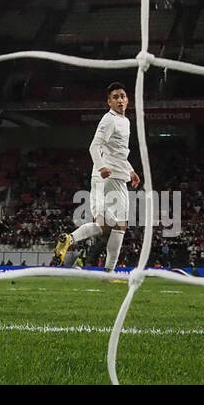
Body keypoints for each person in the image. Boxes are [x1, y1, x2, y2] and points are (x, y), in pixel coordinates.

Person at [54, 82, 139, 275]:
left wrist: (131, 170)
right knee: (120, 226)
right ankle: (109, 271)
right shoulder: (110, 120)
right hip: (111, 177)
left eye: (122, 96)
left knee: (103, 225)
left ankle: (70, 239)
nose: (120, 100)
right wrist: (102, 167)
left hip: (107, 175)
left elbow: (118, 153)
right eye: (115, 97)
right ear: (109, 102)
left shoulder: (124, 121)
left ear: (127, 100)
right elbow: (94, 146)